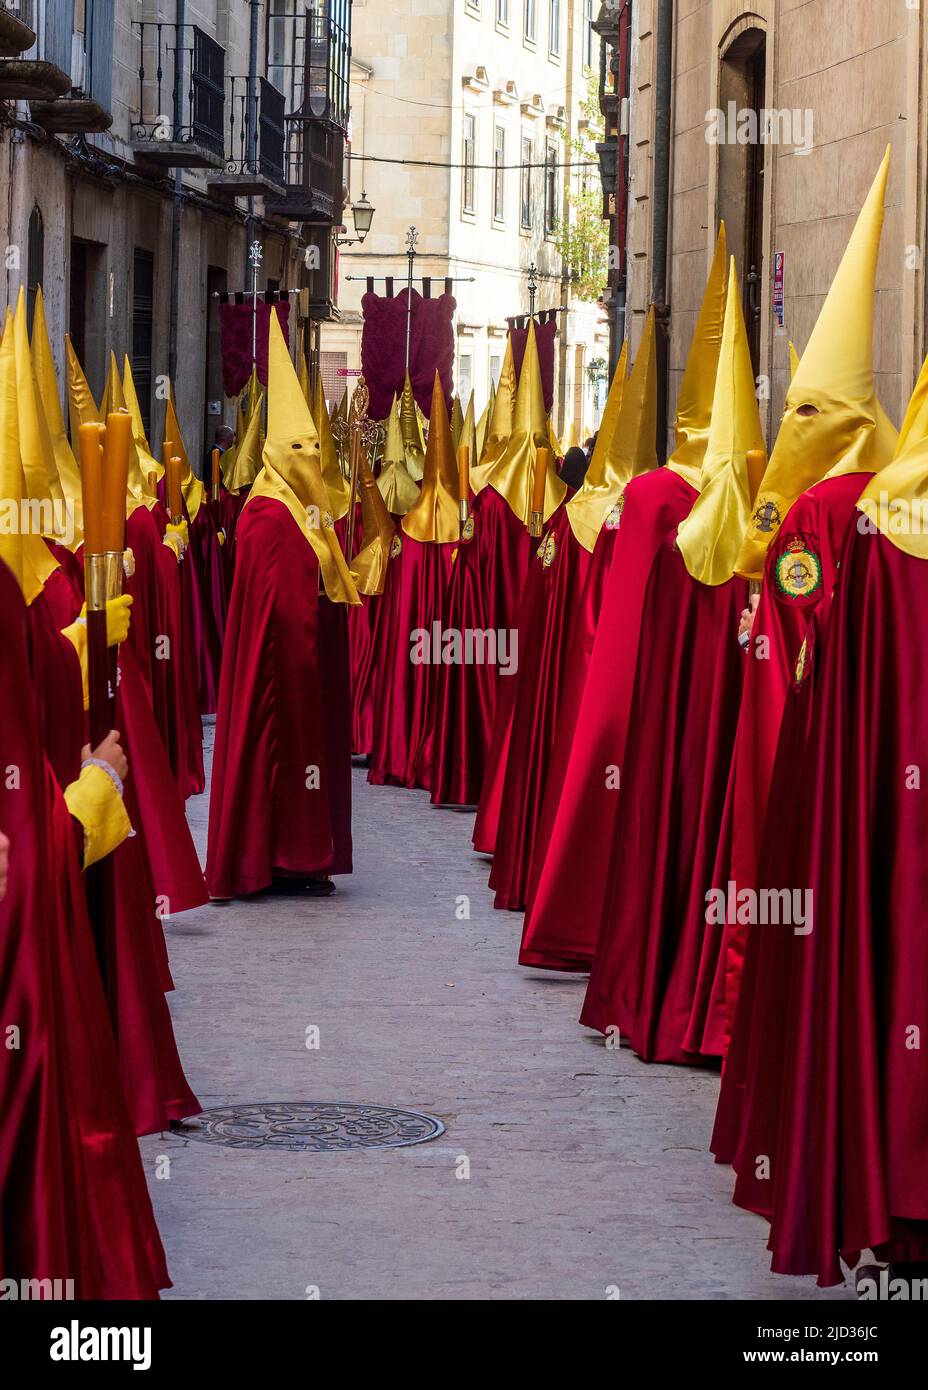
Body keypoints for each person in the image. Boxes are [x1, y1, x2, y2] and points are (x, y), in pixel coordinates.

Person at [206, 310, 360, 900]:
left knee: (308, 762)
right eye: (299, 446)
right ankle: (260, 858)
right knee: (273, 754)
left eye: (313, 447)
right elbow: (274, 602)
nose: (309, 456)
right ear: (276, 452)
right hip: (280, 670)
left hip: (306, 668)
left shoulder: (302, 509)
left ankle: (303, 857)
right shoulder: (267, 514)